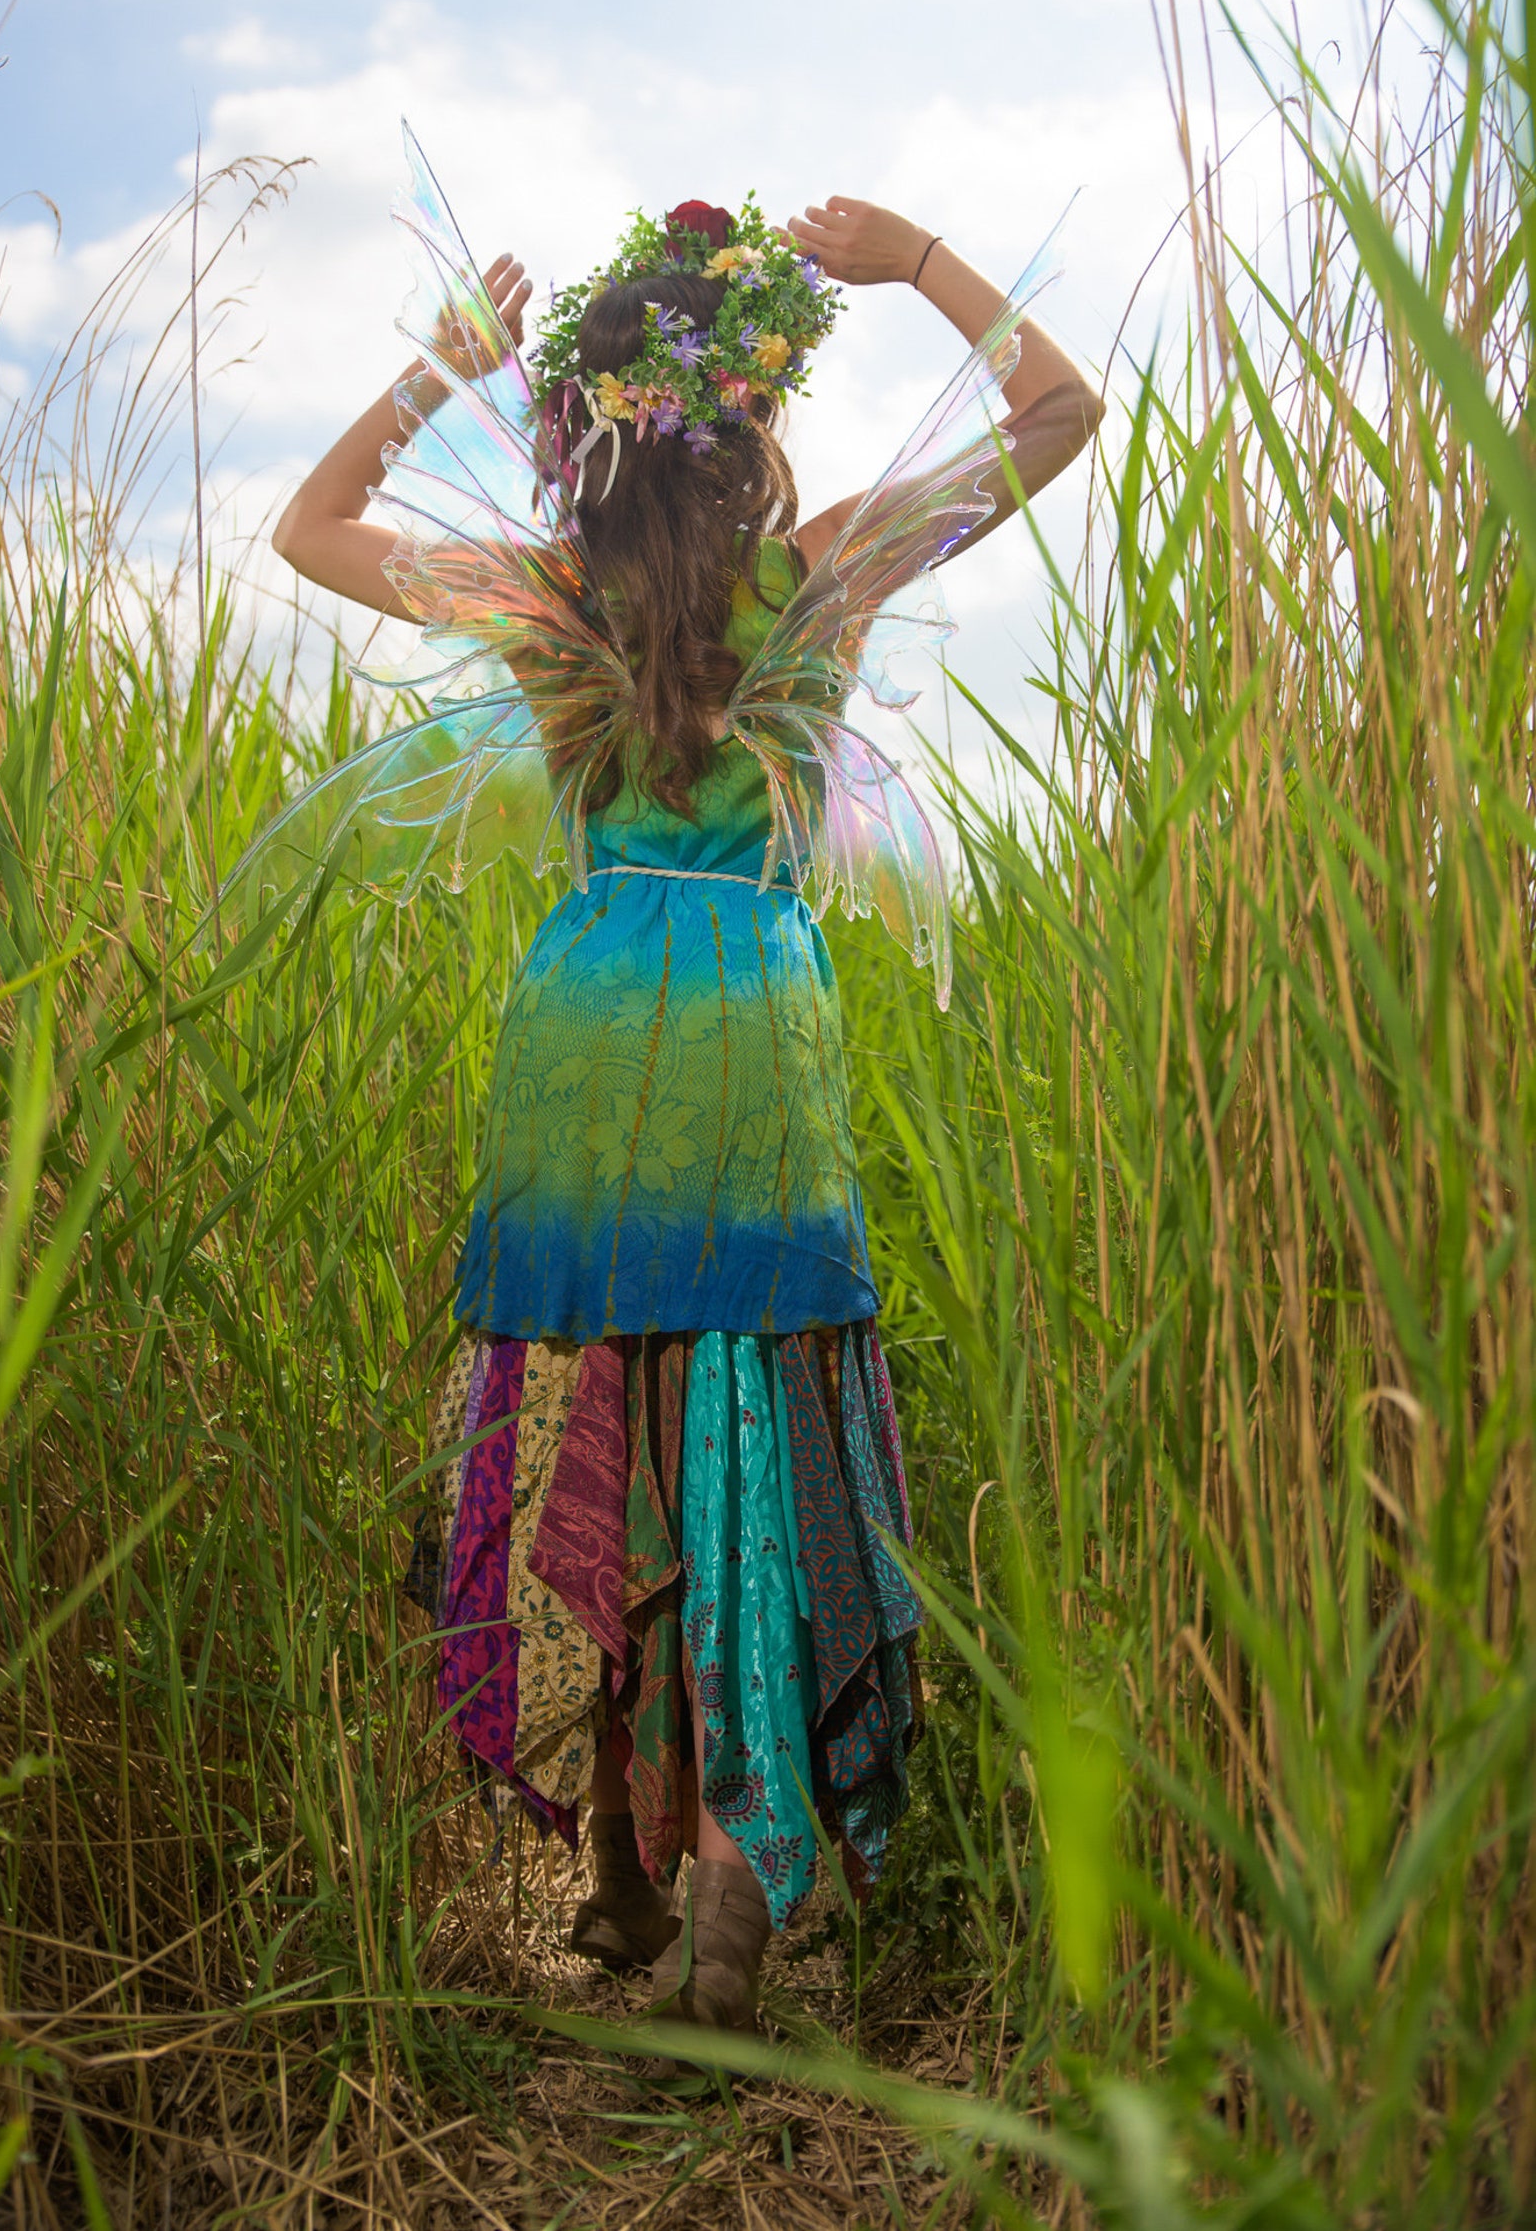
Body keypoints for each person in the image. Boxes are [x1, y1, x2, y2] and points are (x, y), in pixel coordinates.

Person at [267, 152, 1103, 2043]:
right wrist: (911, 264)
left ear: (598, 424)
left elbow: (310, 528)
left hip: (580, 1045)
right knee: (760, 1430)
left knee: (617, 1425)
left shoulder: (549, 595)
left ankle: (618, 1872)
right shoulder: (824, 576)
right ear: (749, 419)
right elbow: (1063, 410)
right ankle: (734, 1871)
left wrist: (446, 369)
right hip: (754, 1030)